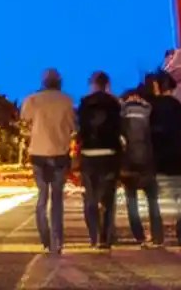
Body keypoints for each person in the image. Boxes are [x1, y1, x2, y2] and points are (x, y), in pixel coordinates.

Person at [20, 69, 76, 255]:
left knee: (42, 196)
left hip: (38, 153)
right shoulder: (67, 101)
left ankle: (45, 238)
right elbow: (73, 127)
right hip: (60, 154)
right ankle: (57, 241)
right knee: (57, 199)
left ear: (44, 82)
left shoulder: (32, 100)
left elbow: (24, 122)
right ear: (59, 82)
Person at [77, 71, 121, 250]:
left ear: (92, 84)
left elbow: (80, 130)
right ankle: (105, 237)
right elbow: (119, 129)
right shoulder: (114, 104)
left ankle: (93, 235)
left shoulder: (84, 103)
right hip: (110, 154)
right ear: (107, 84)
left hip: (89, 154)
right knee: (108, 198)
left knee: (90, 197)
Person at [150, 71, 181, 246]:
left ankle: (158, 236)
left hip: (159, 160)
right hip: (178, 159)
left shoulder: (154, 107)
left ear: (158, 86)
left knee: (154, 199)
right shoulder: (178, 107)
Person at [120, 85, 163, 247]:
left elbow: (119, 138)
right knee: (153, 200)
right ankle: (157, 236)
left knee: (132, 201)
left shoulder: (122, 112)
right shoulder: (149, 110)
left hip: (129, 162)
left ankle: (140, 236)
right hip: (148, 161)